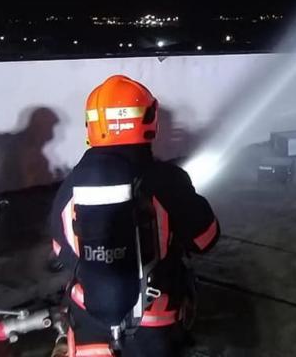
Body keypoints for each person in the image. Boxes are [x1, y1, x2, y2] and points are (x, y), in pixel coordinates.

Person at [50, 75, 219, 356]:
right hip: (153, 328)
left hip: (87, 323)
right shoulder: (168, 180)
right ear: (147, 119)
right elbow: (207, 238)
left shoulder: (71, 184)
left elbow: (59, 250)